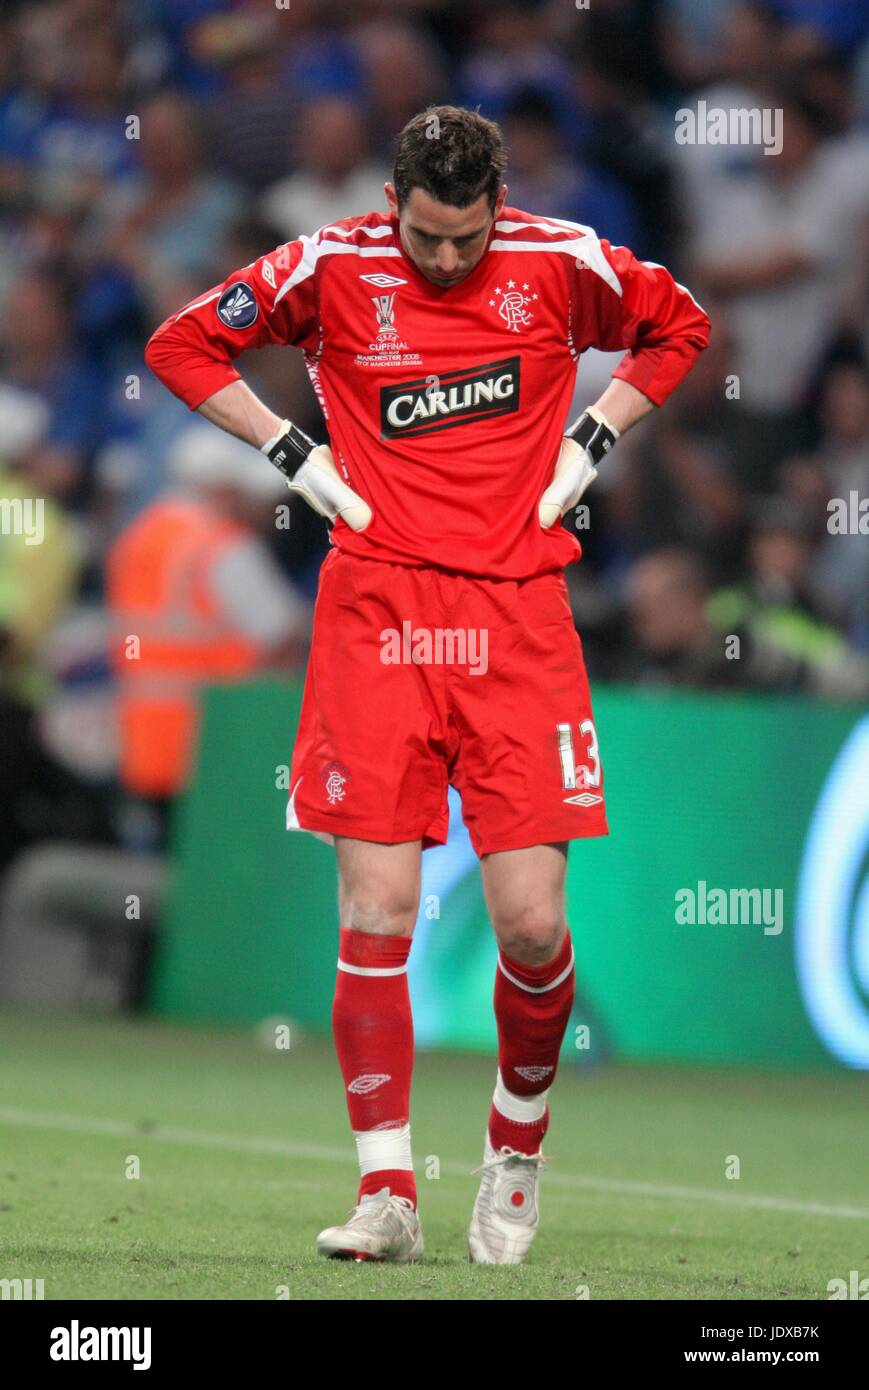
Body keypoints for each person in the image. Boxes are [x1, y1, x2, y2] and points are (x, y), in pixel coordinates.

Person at [144, 105, 709, 1264]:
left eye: (464, 238)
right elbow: (180, 346)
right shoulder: (329, 262)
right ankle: (387, 1194)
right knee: (376, 912)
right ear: (391, 201)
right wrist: (291, 453)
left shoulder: (560, 260)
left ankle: (513, 1147)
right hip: (376, 614)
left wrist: (595, 435)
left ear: (496, 204)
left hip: (516, 618)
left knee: (534, 924)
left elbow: (678, 326)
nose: (443, 260)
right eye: (423, 236)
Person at [106, 426, 310, 848]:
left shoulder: (137, 539)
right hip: (220, 749)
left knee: (165, 874)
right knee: (215, 875)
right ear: (224, 489)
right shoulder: (222, 548)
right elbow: (282, 636)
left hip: (148, 746)